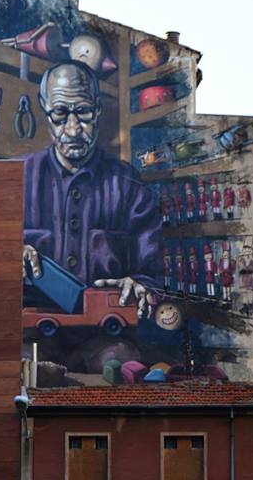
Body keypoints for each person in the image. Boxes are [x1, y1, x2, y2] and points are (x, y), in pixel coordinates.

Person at [22, 61, 162, 318]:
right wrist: (7, 255)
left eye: (83, 111)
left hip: (109, 333)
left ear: (98, 110)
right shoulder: (16, 179)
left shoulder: (130, 186)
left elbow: (152, 274)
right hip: (30, 332)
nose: (73, 129)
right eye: (60, 113)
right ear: (45, 110)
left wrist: (141, 284)